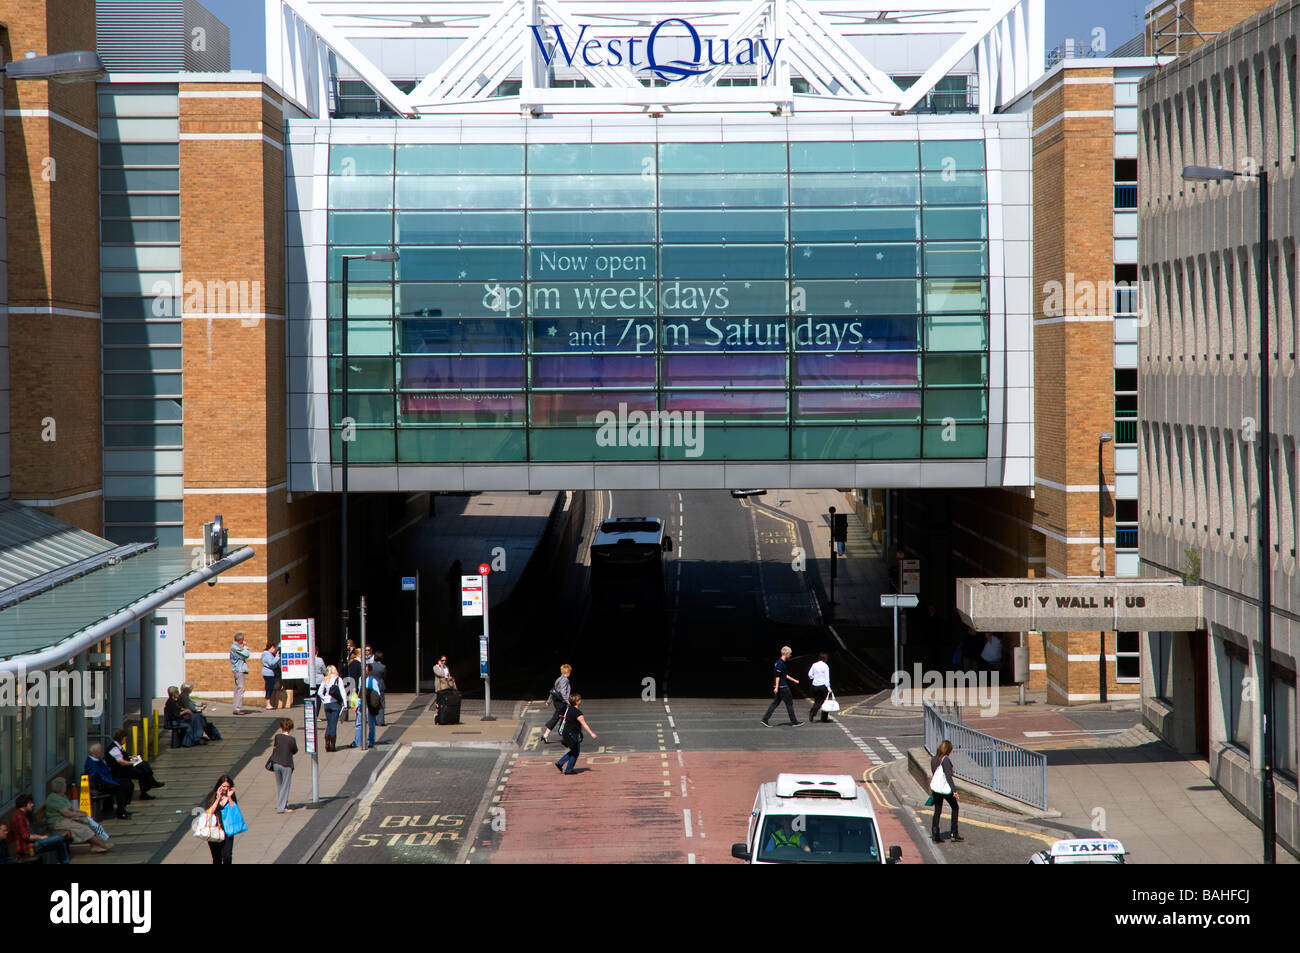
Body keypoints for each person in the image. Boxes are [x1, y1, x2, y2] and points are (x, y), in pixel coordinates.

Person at [44, 777, 111, 852]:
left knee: (88, 825)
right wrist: (79, 815)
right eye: (65, 785)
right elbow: (67, 813)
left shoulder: (62, 796)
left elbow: (71, 808)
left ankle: (96, 845)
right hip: (58, 822)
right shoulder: (53, 798)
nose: (66, 787)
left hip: (65, 820)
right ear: (61, 787)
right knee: (83, 829)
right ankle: (103, 845)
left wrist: (82, 813)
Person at [7, 795, 71, 863]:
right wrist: (41, 837)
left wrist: (41, 837)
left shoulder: (23, 815)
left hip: (33, 844)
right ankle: (64, 838)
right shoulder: (18, 817)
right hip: (29, 848)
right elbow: (26, 836)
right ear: (23, 804)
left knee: (60, 843)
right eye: (30, 803)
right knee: (59, 837)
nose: (33, 805)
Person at [108, 728, 165, 798]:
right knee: (141, 770)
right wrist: (132, 762)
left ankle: (150, 785)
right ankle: (151, 783)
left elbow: (123, 757)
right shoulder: (114, 748)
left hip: (124, 767)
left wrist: (133, 758)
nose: (126, 741)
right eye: (125, 739)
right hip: (120, 770)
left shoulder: (118, 746)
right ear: (122, 738)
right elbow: (121, 762)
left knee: (143, 763)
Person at [85, 743, 131, 819]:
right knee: (122, 787)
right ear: (96, 753)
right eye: (100, 751)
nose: (101, 752)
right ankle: (120, 811)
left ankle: (111, 807)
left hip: (104, 781)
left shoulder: (97, 760)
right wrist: (114, 783)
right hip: (99, 785)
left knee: (124, 782)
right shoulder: (93, 764)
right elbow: (100, 777)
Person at [930, 739, 963, 844]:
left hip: (937, 789)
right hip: (945, 789)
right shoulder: (946, 760)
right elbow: (948, 777)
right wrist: (954, 791)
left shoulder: (934, 759)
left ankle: (935, 835)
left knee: (937, 811)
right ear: (948, 750)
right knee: (955, 807)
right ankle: (954, 833)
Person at [554, 693, 597, 775]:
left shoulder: (569, 709)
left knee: (574, 751)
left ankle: (560, 763)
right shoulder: (578, 713)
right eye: (579, 699)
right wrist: (591, 733)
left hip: (566, 733)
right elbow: (584, 724)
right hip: (572, 734)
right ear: (577, 702)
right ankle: (568, 770)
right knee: (575, 752)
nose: (581, 700)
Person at [761, 646, 803, 727]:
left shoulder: (782, 662)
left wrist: (794, 680)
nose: (790, 655)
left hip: (781, 687)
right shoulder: (780, 663)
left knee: (775, 703)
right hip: (783, 687)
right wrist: (776, 687)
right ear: (786, 653)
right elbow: (777, 676)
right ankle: (794, 722)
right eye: (790, 654)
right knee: (789, 703)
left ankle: (765, 719)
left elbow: (785, 675)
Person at [201, 775, 239, 864]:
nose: (225, 789)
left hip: (227, 829)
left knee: (227, 856)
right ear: (219, 786)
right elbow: (210, 811)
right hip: (214, 829)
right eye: (223, 786)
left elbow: (235, 811)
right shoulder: (212, 795)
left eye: (228, 787)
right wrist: (218, 799)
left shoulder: (231, 796)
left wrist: (229, 798)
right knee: (216, 857)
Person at [269, 718, 298, 814]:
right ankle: (281, 808)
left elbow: (275, 746)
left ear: (281, 727)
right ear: (291, 728)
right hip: (286, 763)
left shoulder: (277, 737)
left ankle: (282, 803)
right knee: (285, 785)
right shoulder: (292, 740)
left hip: (276, 763)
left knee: (279, 785)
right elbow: (294, 751)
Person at [317, 665, 347, 751]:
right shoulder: (338, 679)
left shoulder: (325, 679)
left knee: (329, 724)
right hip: (335, 703)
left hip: (327, 704)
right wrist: (345, 704)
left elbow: (319, 692)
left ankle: (327, 744)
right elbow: (342, 692)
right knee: (333, 724)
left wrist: (324, 699)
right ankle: (332, 745)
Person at [541, 663, 572, 743]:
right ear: (567, 672)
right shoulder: (565, 680)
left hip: (557, 702)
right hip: (561, 703)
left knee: (561, 717)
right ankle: (563, 735)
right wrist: (567, 701)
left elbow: (553, 691)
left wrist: (549, 700)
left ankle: (546, 735)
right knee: (559, 718)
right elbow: (563, 692)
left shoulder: (558, 679)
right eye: (569, 672)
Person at [352, 664, 379, 748]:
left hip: (369, 705)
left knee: (371, 724)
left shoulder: (373, 681)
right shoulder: (360, 679)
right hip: (361, 704)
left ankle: (371, 741)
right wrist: (357, 704)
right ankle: (357, 741)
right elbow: (360, 692)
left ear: (369, 671)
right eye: (363, 669)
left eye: (366, 670)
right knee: (359, 724)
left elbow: (377, 693)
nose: (364, 671)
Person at [807, 651, 832, 723]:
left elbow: (809, 674)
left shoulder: (814, 665)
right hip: (823, 686)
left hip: (814, 685)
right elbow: (827, 679)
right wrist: (829, 688)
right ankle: (823, 717)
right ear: (825, 659)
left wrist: (814, 678)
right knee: (824, 701)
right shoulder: (825, 666)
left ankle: (813, 712)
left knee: (817, 701)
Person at [230, 631, 251, 714]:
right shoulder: (235, 647)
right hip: (239, 670)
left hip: (237, 670)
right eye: (243, 640)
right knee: (241, 689)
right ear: (240, 640)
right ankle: (237, 708)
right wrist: (245, 646)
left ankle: (236, 707)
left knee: (237, 688)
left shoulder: (235, 646)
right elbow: (246, 654)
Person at [369, 649, 388, 726]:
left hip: (372, 685)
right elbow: (384, 676)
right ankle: (381, 721)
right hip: (380, 685)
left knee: (373, 703)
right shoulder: (383, 667)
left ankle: (372, 720)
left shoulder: (370, 666)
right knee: (381, 703)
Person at [261, 641, 281, 710]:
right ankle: (268, 704)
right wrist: (277, 657)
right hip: (268, 673)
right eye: (273, 648)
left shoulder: (269, 654)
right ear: (271, 648)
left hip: (270, 673)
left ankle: (269, 703)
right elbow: (271, 663)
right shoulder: (267, 655)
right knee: (269, 688)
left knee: (270, 688)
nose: (274, 650)